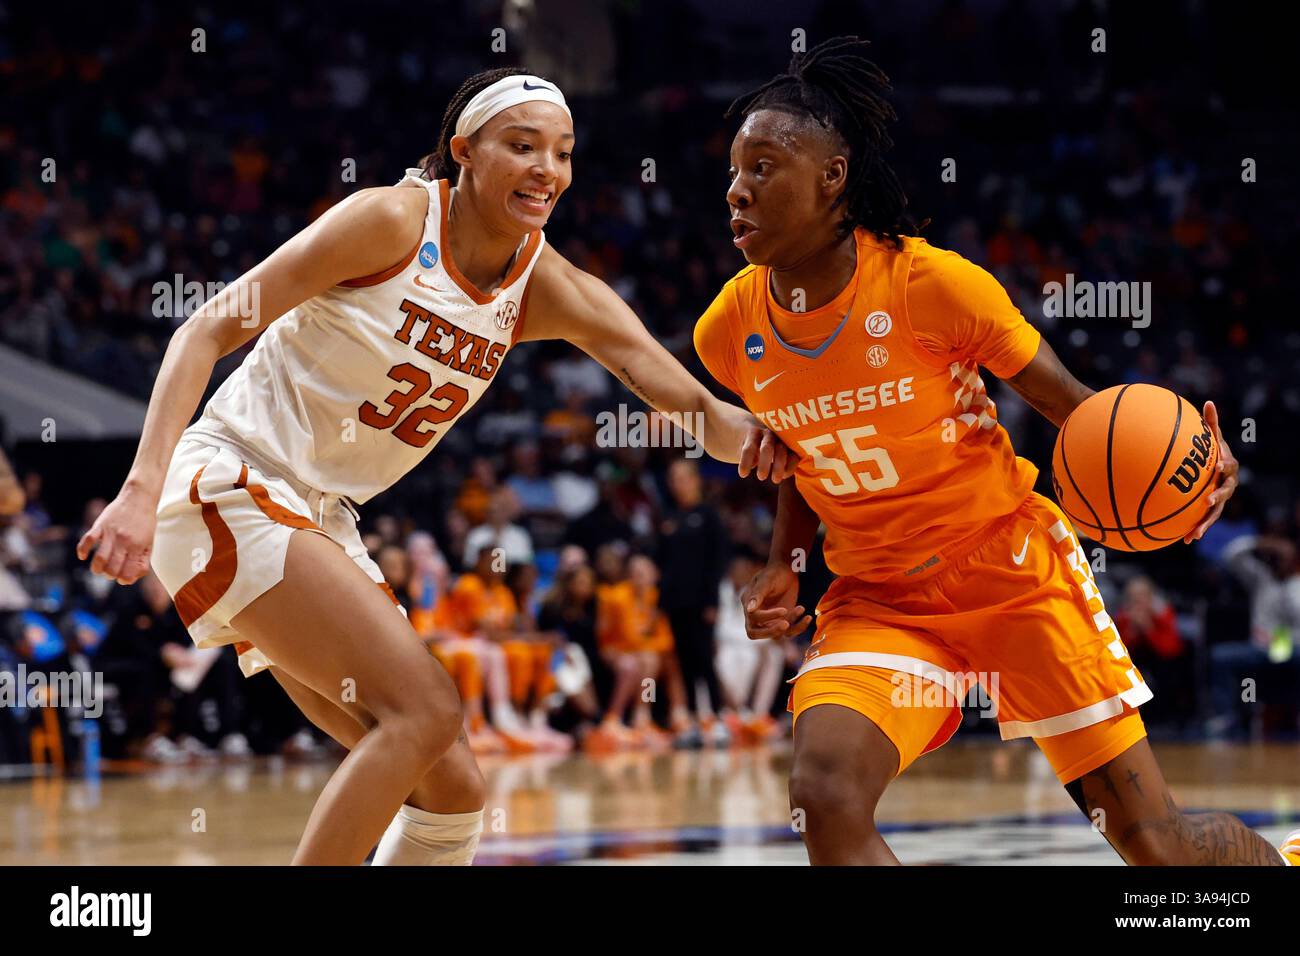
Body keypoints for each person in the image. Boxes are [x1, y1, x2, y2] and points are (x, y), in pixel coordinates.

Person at [78, 67, 789, 866]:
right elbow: (205, 328)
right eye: (522, 147)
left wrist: (799, 436)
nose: (546, 169)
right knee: (424, 713)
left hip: (316, 513)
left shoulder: (542, 284)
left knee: (451, 788)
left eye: (561, 152)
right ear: (464, 152)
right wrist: (139, 489)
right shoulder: (390, 219)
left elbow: (697, 411)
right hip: (230, 478)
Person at [693, 37, 1294, 865]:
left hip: (1011, 574)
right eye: (733, 170)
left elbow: (1081, 413)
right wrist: (783, 563)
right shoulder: (726, 332)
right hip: (880, 600)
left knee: (1161, 851)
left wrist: (1192, 468)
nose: (736, 189)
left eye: (763, 167)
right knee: (826, 797)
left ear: (833, 178)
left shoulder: (930, 285)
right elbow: (805, 454)